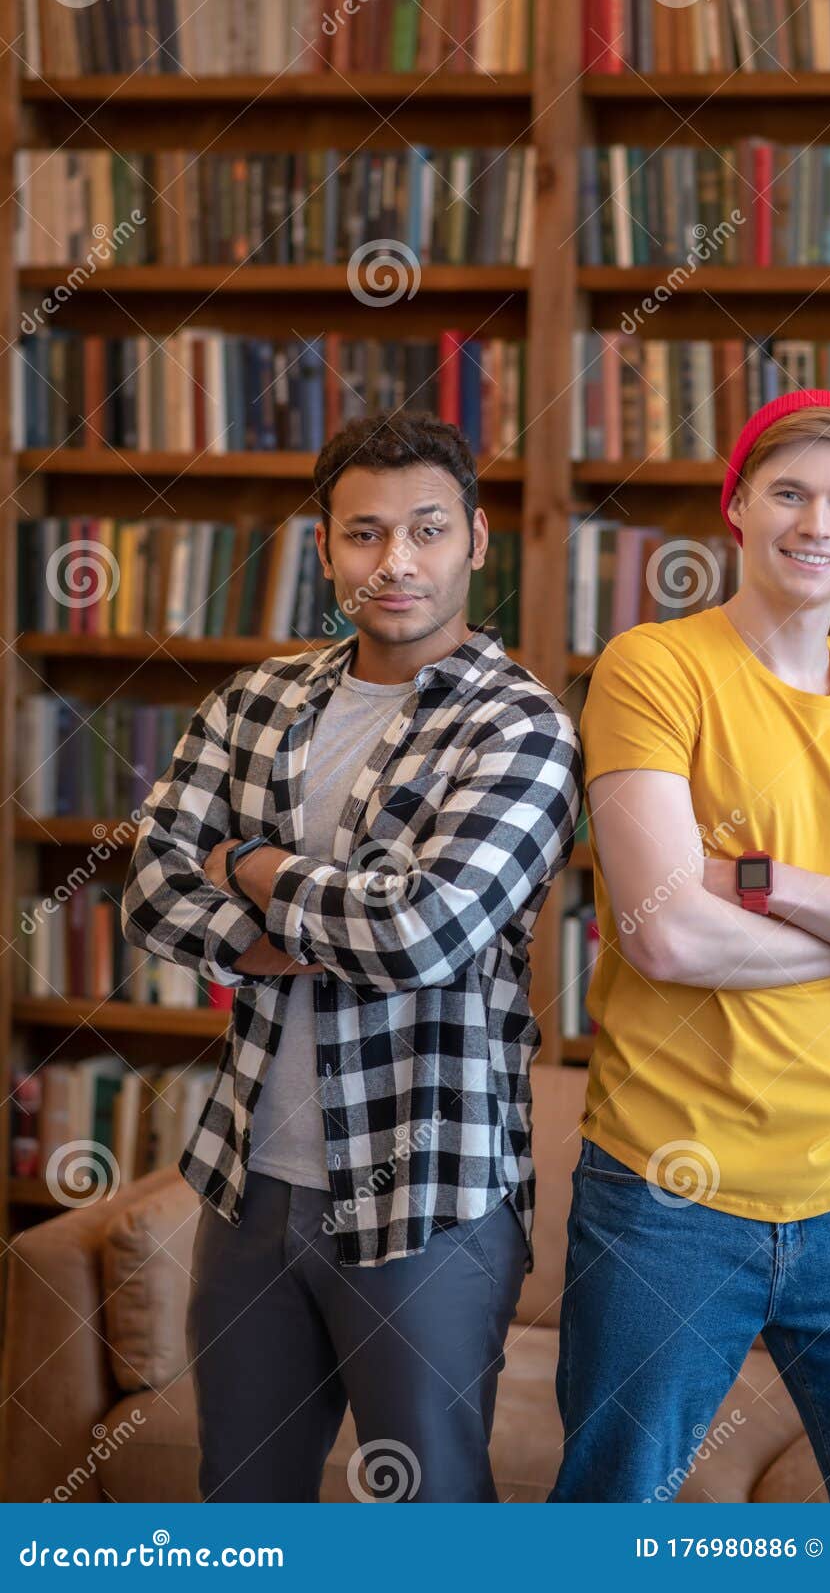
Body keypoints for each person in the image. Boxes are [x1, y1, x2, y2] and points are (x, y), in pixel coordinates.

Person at [548, 388, 830, 1504]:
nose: (817, 522)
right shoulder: (651, 667)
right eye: (788, 491)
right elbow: (660, 932)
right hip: (666, 1193)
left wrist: (768, 884)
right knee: (609, 1517)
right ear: (737, 506)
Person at [121, 411, 582, 1502]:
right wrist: (319, 915)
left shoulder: (522, 728)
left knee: (427, 1512)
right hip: (249, 1183)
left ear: (475, 538)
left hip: (428, 1191)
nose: (396, 562)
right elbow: (148, 893)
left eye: (425, 530)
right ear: (324, 549)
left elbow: (424, 932)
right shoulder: (255, 701)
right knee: (243, 1501)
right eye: (365, 534)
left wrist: (253, 866)